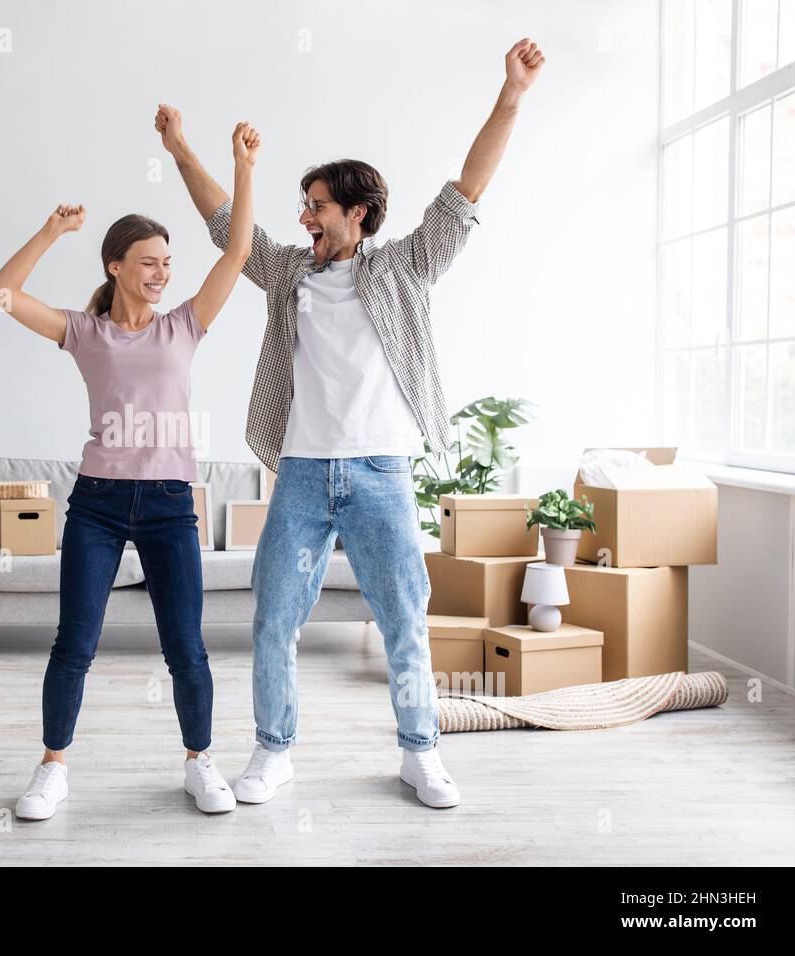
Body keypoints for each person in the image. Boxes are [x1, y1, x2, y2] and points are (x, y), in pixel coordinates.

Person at [156, 38, 545, 809]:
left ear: (358, 215)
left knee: (405, 623)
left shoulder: (406, 265)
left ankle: (420, 753)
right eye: (304, 207)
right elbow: (225, 223)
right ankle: (273, 751)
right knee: (274, 621)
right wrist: (179, 147)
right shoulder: (289, 273)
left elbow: (466, 190)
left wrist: (511, 96)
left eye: (318, 208)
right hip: (302, 473)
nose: (305, 219)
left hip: (381, 474)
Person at [0, 122, 263, 820]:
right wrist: (50, 231)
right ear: (115, 265)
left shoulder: (186, 324)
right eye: (148, 260)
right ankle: (52, 769)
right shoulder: (86, 333)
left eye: (167, 260)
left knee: (186, 648)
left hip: (171, 502)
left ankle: (201, 762)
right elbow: (1, 292)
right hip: (100, 506)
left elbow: (239, 250)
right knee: (73, 644)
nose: (163, 271)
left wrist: (240, 165)